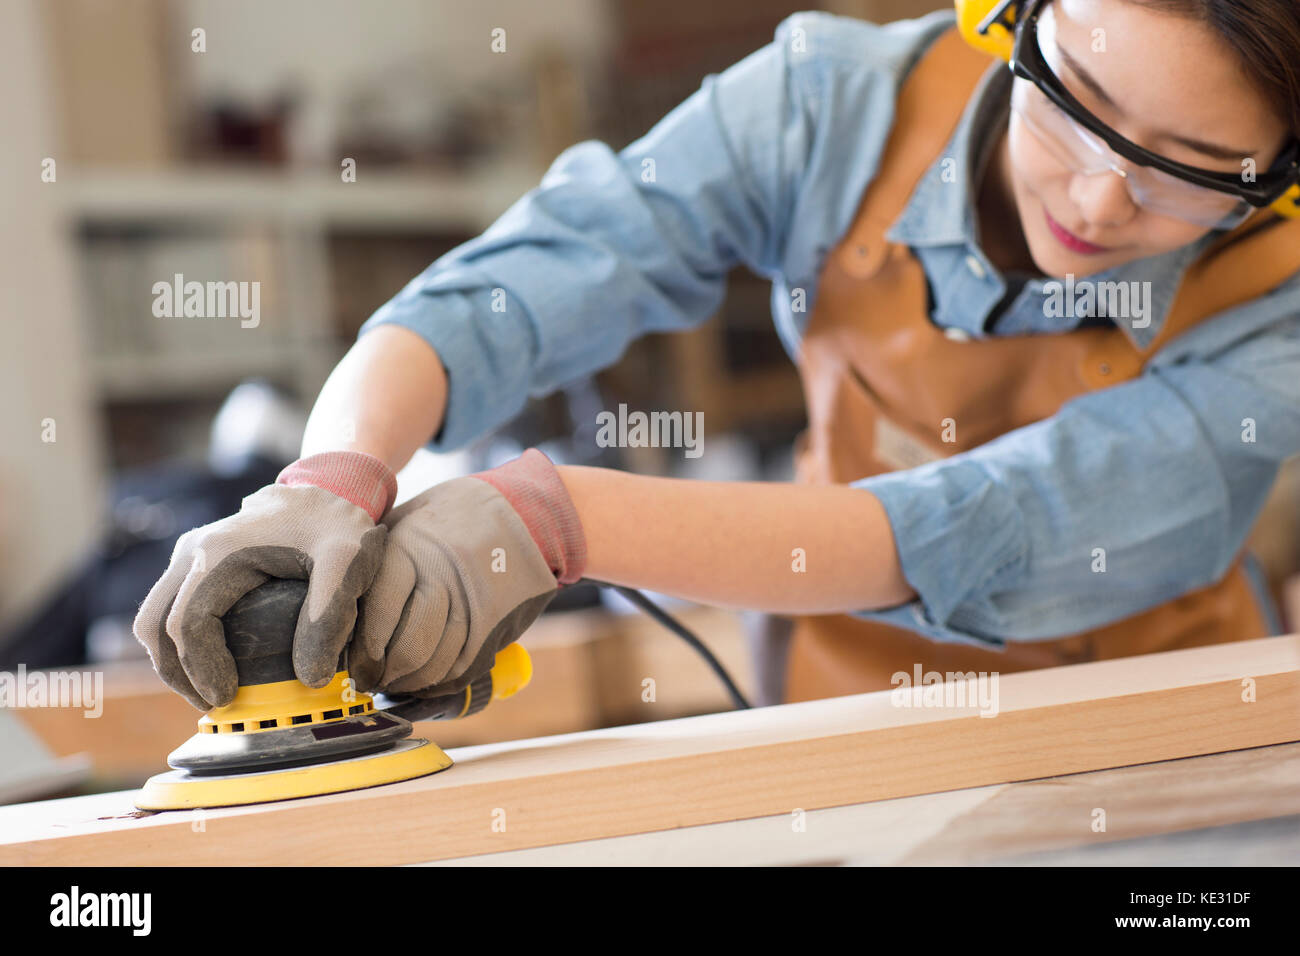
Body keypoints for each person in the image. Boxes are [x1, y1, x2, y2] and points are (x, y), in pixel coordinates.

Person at [134, 0, 1300, 713]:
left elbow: (989, 519)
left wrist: (553, 522)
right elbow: (519, 282)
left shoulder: (1280, 295)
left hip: (1160, 719)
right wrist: (331, 477)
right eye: (1075, 99)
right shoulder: (830, 107)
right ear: (1011, 14)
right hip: (848, 702)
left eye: (1194, 168)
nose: (1099, 197)